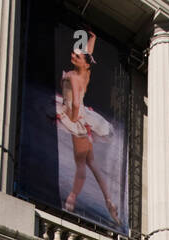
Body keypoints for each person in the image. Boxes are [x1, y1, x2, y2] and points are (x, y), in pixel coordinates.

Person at [55, 30, 120, 225]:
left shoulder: (74, 78)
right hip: (82, 116)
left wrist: (71, 119)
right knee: (91, 163)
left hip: (79, 118)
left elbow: (75, 104)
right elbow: (88, 55)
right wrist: (92, 38)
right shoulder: (85, 72)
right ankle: (109, 201)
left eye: (77, 55)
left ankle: (72, 197)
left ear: (83, 62)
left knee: (83, 163)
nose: (73, 56)